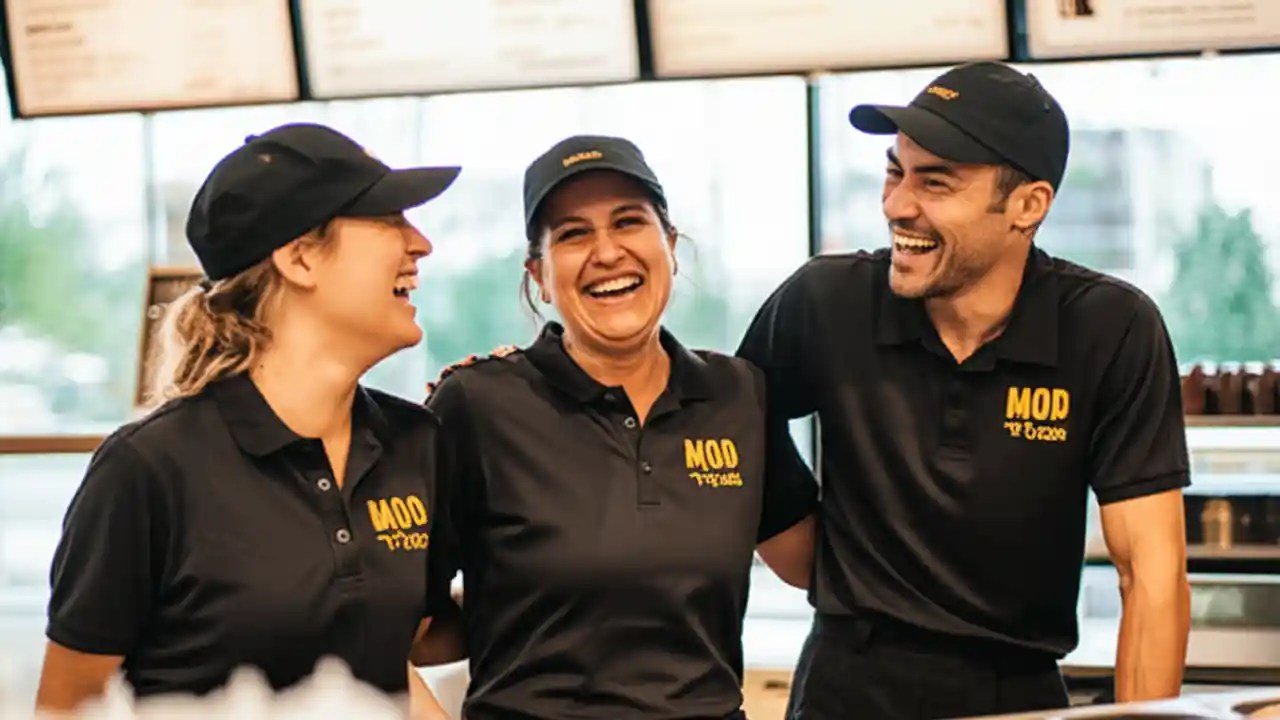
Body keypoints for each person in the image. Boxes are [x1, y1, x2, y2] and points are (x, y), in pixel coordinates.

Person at [737, 61, 1191, 719]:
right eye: (895, 172)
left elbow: (1150, 571)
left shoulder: (1109, 328)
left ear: (1027, 206)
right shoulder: (826, 301)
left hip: (1017, 689)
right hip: (848, 678)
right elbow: (728, 426)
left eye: (935, 182)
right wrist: (804, 551)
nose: (897, 205)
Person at [35, 123, 463, 718]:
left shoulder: (415, 442)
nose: (420, 243)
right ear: (300, 257)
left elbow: (390, 654)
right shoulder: (149, 469)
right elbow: (67, 706)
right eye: (389, 219)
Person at [424, 134, 819, 719]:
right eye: (573, 234)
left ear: (671, 246)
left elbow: (813, 565)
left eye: (628, 222)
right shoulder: (476, 406)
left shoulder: (739, 396)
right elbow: (407, 618)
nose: (607, 252)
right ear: (538, 275)